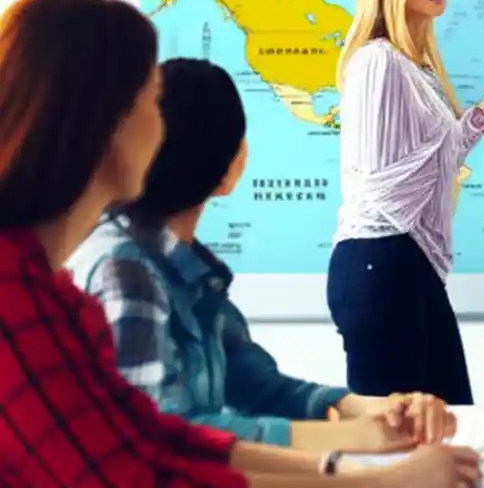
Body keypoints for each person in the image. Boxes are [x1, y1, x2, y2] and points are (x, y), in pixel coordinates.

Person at [0, 0, 480, 486]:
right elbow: (143, 471)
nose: (159, 123)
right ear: (102, 123)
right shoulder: (31, 293)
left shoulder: (57, 294)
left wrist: (363, 439)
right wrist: (375, 478)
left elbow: (158, 436)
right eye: (148, 98)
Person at [68, 58, 456, 452]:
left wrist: (378, 409)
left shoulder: (186, 272)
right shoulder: (124, 269)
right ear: (232, 165)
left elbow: (258, 388)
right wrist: (352, 437)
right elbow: (163, 435)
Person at [329, 0, 484, 404]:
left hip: (406, 263)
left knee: (452, 426)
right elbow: (384, 187)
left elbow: (438, 157)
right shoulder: (378, 62)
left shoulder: (412, 65)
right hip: (382, 261)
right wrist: (475, 118)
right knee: (396, 447)